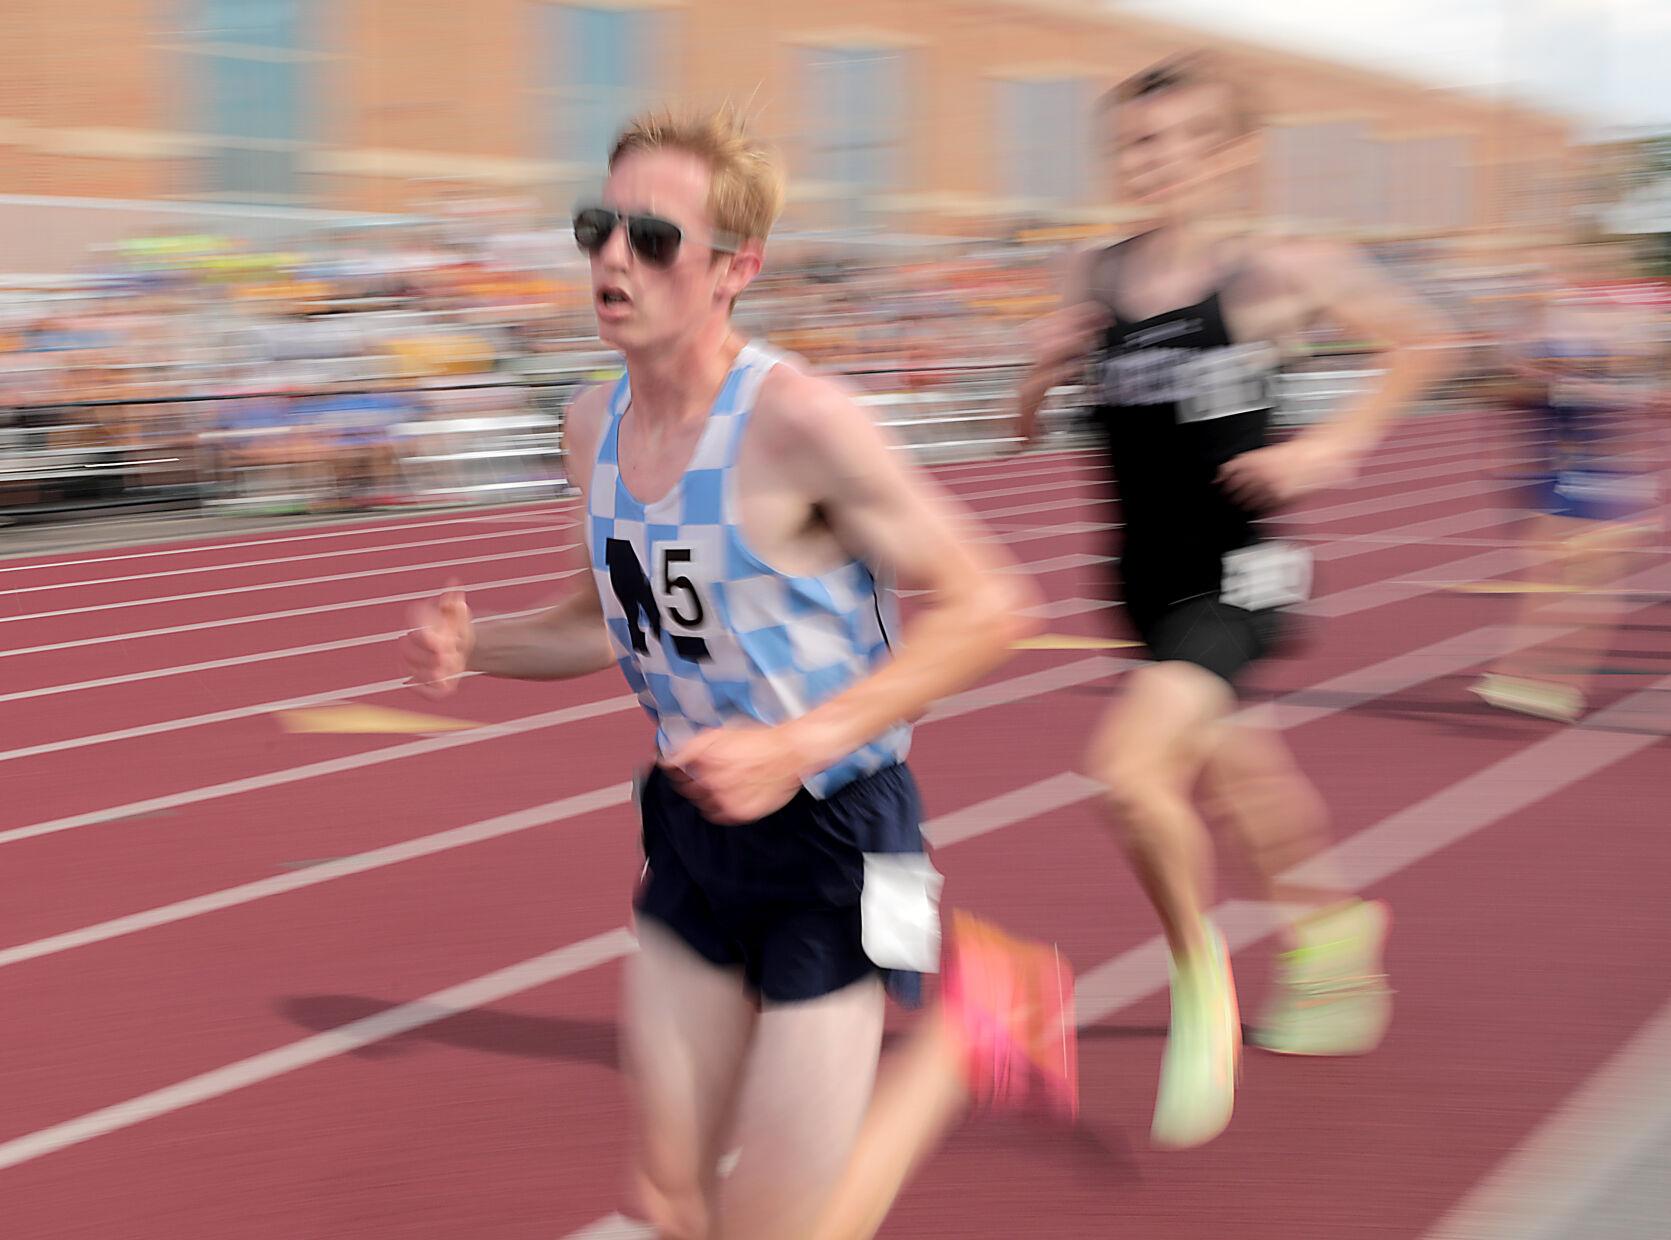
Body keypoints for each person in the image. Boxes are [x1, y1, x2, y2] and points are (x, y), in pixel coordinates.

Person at [402, 106, 1076, 1240]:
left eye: (653, 238)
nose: (614, 256)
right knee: (671, 1201)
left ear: (734, 270)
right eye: (597, 227)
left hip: (854, 838)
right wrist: (484, 646)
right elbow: (602, 622)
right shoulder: (589, 427)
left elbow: (996, 603)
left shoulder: (803, 422)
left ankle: (973, 1022)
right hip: (696, 828)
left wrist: (794, 745)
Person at [1014, 53, 1452, 1150]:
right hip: (1136, 580)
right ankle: (1334, 930)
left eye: (1177, 143)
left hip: (1237, 570)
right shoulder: (1094, 274)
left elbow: (1431, 341)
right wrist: (1036, 376)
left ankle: (1196, 968)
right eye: (1134, 145)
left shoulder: (1276, 271)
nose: (1152, 163)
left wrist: (1336, 444)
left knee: (1131, 772)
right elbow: (1029, 426)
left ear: (1232, 154)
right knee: (1243, 770)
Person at [1470, 241, 1664, 721]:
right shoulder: (1539, 331)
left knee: (1575, 579)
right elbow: (1507, 394)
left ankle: (1552, 680)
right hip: (1562, 470)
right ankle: (1542, 678)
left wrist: (1562, 381)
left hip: (1593, 469)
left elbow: (1627, 388)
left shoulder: (1600, 325)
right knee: (1564, 576)